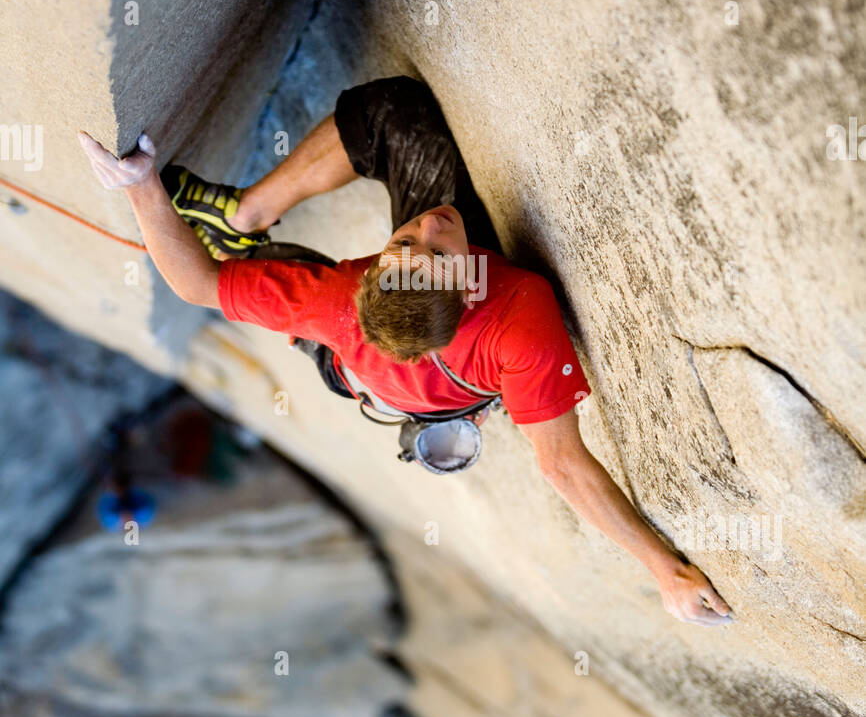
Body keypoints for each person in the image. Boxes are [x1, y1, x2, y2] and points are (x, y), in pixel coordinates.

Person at [79, 77, 732, 626]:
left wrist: (143, 187)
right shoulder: (463, 307)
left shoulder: (423, 300)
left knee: (392, 112)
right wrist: (666, 571)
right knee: (373, 147)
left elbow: (198, 284)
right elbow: (561, 463)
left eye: (420, 242)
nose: (429, 225)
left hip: (371, 367)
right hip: (359, 358)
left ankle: (245, 217)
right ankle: (241, 221)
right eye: (419, 245)